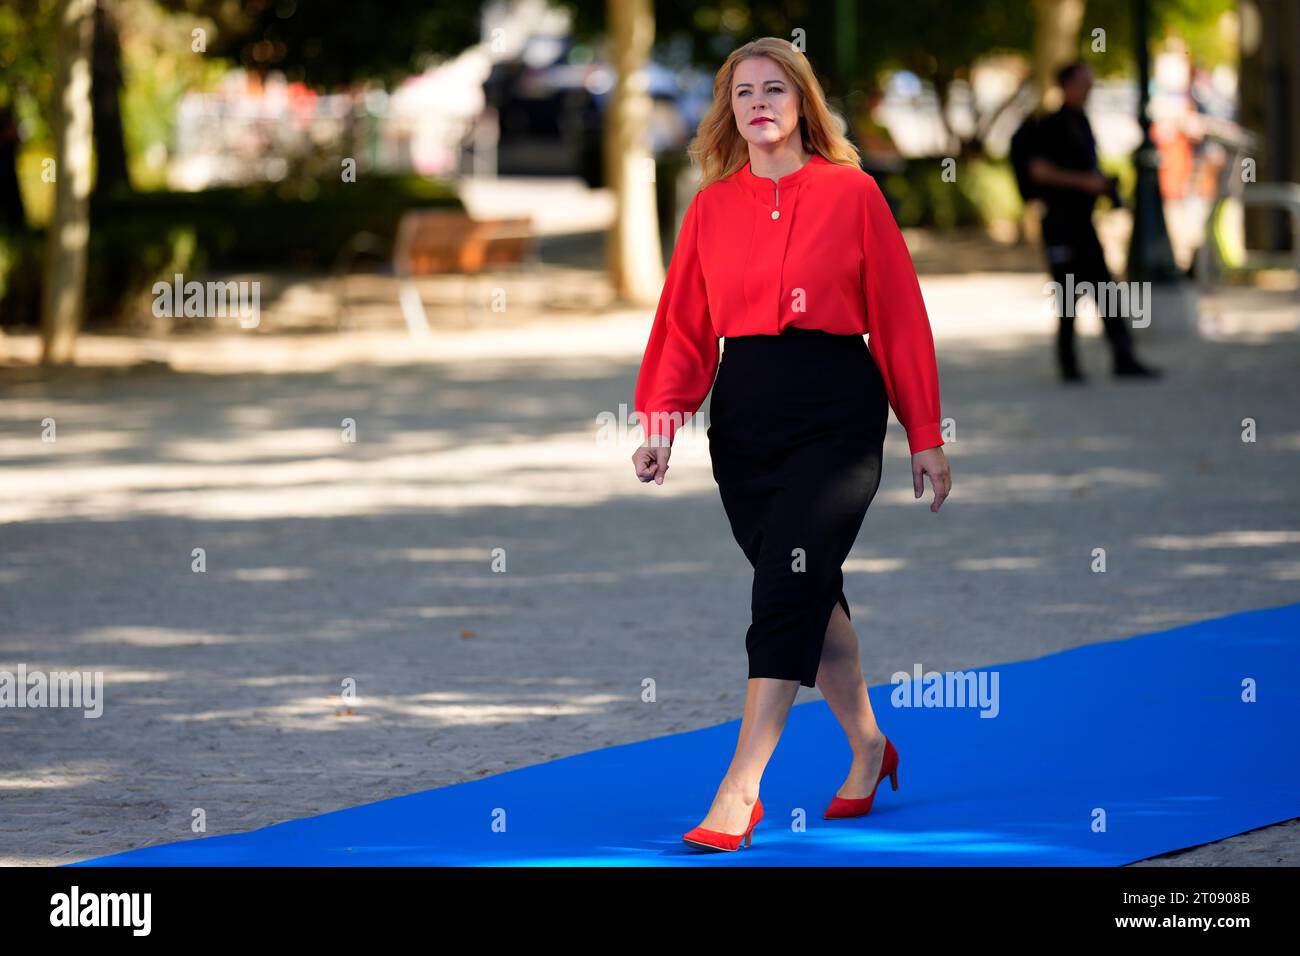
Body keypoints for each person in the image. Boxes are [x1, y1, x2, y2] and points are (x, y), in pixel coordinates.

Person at [629, 37, 951, 851]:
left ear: (803, 103)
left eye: (776, 89)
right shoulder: (711, 206)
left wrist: (925, 434)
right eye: (744, 93)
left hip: (838, 413)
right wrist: (662, 419)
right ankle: (871, 749)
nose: (760, 103)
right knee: (806, 588)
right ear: (728, 110)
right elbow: (685, 323)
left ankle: (741, 788)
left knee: (781, 592)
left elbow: (902, 318)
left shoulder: (854, 196)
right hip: (745, 419)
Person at [1028, 61, 1161, 382]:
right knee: (1068, 295)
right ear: (1067, 85)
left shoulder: (1081, 122)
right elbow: (1039, 171)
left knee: (1105, 290)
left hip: (1083, 222)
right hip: (1061, 223)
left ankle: (1123, 356)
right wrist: (1084, 182)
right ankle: (1069, 364)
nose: (1088, 88)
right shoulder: (1051, 125)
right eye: (1083, 82)